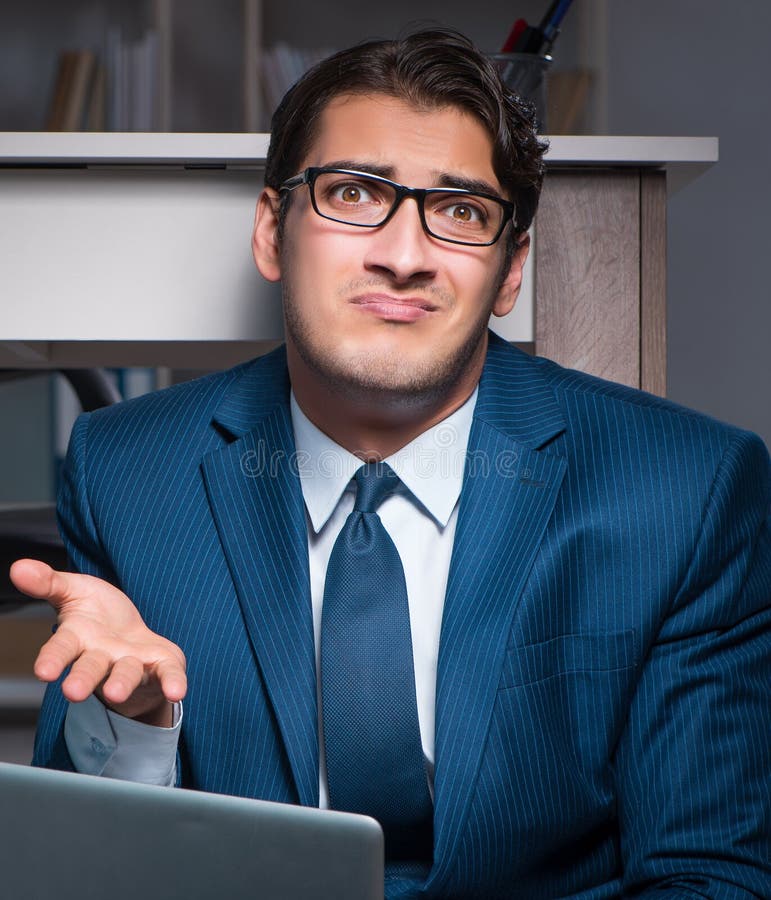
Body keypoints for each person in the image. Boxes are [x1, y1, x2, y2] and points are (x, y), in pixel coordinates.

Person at [10, 28, 771, 900]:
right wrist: (133, 727)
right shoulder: (128, 473)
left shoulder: (687, 489)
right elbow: (81, 871)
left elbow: (709, 877)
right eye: (353, 193)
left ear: (510, 268)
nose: (404, 256)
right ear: (271, 231)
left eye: (459, 212)